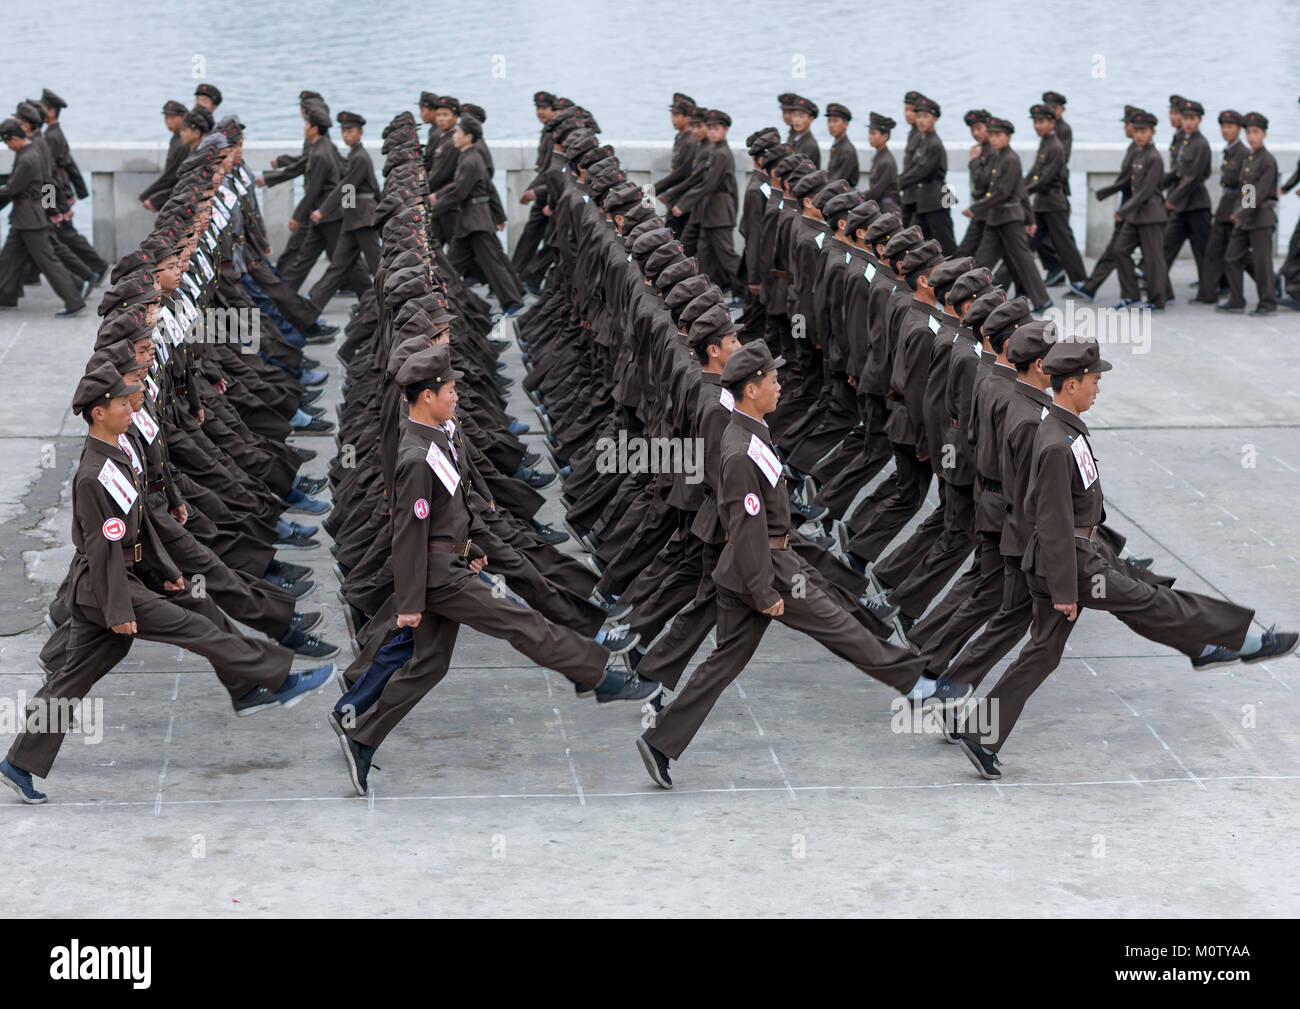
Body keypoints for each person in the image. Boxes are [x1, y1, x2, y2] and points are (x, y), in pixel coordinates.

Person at [954, 338, 1297, 779]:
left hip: (1073, 555)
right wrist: (1063, 588)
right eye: (1094, 381)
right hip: (1072, 563)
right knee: (1152, 602)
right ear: (1071, 384)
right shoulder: (1057, 441)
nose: (1099, 389)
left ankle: (980, 734)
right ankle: (1242, 639)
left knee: (1044, 651)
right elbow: (1054, 518)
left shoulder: (1062, 429)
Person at [636, 341, 967, 789]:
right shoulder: (739, 448)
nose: (780, 386)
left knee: (724, 661)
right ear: (751, 389)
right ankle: (919, 684)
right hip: (766, 569)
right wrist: (764, 592)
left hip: (762, 563)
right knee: (841, 628)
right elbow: (746, 526)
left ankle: (660, 741)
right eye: (772, 380)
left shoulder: (751, 431)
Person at [329, 345, 657, 796]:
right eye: (449, 389)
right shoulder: (414, 455)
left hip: (451, 563)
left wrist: (473, 546)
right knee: (523, 621)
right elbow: (408, 532)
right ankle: (600, 677)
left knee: (429, 665)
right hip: (439, 576)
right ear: (426, 396)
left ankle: (360, 738)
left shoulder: (435, 437)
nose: (457, 395)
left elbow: (452, 507)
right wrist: (407, 604)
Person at [0, 364, 335, 805]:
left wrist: (167, 570)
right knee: (196, 626)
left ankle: (18, 763)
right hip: (108, 589)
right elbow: (102, 551)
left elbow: (141, 525)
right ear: (98, 412)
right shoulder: (93, 474)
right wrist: (119, 612)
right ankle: (278, 680)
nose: (130, 406)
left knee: (74, 678)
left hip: (126, 578)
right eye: (121, 403)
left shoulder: (117, 453)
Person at [430, 114, 525, 314]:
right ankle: (443, 300)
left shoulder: (470, 160)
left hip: (476, 220)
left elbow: (460, 192)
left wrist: (434, 208)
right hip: (470, 220)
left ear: (469, 137)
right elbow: (461, 186)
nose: (454, 135)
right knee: (452, 264)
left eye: (458, 132)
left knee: (492, 264)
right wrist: (438, 195)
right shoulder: (468, 156)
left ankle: (512, 301)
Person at [0, 116, 85, 314]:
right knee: (8, 259)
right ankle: (6, 297)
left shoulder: (27, 158)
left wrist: (55, 209)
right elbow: (45, 182)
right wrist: (52, 210)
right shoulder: (30, 151)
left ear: (14, 138)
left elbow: (13, 188)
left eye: (6, 141)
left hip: (29, 219)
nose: (7, 146)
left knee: (48, 262)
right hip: (25, 219)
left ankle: (74, 300)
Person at [969, 117, 1051, 311]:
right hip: (995, 218)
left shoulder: (1010, 159)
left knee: (1024, 261)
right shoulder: (997, 157)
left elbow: (1006, 192)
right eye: (992, 135)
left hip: (1009, 218)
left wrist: (977, 207)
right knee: (982, 260)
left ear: (1008, 137)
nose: (994, 139)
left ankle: (1043, 301)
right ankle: (971, 299)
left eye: (999, 135)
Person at [306, 110, 379, 312]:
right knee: (338, 266)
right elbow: (351, 191)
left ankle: (385, 302)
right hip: (354, 220)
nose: (346, 135)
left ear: (360, 132)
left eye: (351, 131)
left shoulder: (360, 158)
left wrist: (323, 211)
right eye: (344, 131)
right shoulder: (354, 155)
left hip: (363, 220)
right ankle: (312, 305)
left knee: (377, 266)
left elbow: (347, 187)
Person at [669, 109, 741, 299]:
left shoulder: (722, 154)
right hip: (710, 212)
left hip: (719, 213)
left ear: (725, 130)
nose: (712, 133)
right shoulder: (715, 151)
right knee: (703, 255)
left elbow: (708, 185)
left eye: (716, 129)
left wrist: (683, 204)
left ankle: (745, 293)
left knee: (728, 258)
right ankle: (703, 295)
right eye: (710, 129)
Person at [1219, 112, 1278, 315]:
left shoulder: (1267, 161)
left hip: (1261, 218)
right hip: (1245, 218)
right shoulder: (1250, 159)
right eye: (1249, 133)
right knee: (1232, 257)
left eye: (1256, 132)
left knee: (1262, 264)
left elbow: (1260, 193)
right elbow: (1248, 191)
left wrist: (1241, 213)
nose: (1252, 137)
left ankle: (1267, 303)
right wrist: (1241, 213)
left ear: (1264, 134)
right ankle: (1236, 299)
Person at [1111, 109, 1168, 310]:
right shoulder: (1139, 153)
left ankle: (1157, 300)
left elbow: (1146, 191)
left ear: (1152, 132)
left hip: (1150, 214)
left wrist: (1123, 210)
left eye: (1143, 131)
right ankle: (1131, 295)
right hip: (1136, 215)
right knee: (1119, 250)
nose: (1139, 135)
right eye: (1136, 131)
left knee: (1153, 260)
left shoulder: (1154, 157)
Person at [1027, 103, 1087, 287]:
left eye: (1042, 122)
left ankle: (1080, 282)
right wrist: (1020, 186)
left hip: (1053, 202)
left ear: (1052, 123)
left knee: (1064, 244)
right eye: (1035, 122)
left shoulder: (1055, 146)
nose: (1038, 126)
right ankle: (1006, 279)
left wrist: (1022, 191)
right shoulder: (1045, 142)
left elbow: (1045, 178)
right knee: (1028, 242)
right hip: (1042, 202)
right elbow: (1035, 171)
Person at [1193, 110, 1248, 304]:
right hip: (1225, 207)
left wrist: (1243, 212)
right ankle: (1207, 295)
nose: (1226, 130)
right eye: (1223, 127)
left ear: (1239, 129)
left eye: (1230, 126)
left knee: (1239, 257)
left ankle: (1267, 284)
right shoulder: (1229, 150)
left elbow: (1248, 186)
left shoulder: (1243, 153)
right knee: (1213, 252)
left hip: (1236, 210)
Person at [1160, 99, 1211, 299]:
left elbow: (1193, 178)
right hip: (1180, 207)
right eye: (1185, 118)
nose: (1188, 122)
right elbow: (1177, 172)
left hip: (1196, 205)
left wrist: (1172, 198)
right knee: (1164, 248)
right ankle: (1163, 291)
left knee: (1203, 253)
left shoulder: (1201, 144)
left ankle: (1207, 294)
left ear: (1199, 120)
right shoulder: (1183, 140)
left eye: (1192, 119)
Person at [897, 97, 955, 254]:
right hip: (927, 201)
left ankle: (958, 276)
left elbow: (920, 171)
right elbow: (914, 168)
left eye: (926, 117)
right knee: (916, 243)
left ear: (935, 119)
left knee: (946, 245)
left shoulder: (934, 143)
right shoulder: (924, 140)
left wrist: (896, 184)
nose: (921, 121)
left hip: (937, 199)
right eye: (919, 117)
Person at [139, 100, 191, 212]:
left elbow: (172, 176)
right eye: (166, 118)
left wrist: (149, 194)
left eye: (172, 118)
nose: (168, 122)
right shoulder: (176, 138)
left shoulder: (182, 144)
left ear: (183, 118)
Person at [862, 112, 900, 212]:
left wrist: (858, 197)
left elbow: (876, 191)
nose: (870, 137)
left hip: (888, 209)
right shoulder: (880, 156)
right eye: (869, 133)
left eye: (873, 133)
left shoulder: (886, 161)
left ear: (885, 136)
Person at [824, 103, 859, 186]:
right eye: (829, 121)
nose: (831, 125)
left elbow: (837, 181)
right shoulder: (837, 145)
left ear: (845, 124)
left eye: (835, 121)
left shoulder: (847, 150)